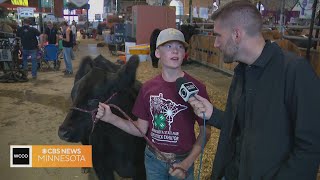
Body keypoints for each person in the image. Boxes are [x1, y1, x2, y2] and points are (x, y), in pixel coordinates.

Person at [188, 1, 320, 180]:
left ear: (236, 34)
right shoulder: (242, 71)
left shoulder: (295, 72)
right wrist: (213, 114)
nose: (216, 44)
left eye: (218, 36)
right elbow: (243, 124)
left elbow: (310, 148)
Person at [96, 28, 211, 179]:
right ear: (157, 53)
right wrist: (111, 118)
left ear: (185, 54)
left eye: (180, 47)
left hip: (183, 160)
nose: (175, 51)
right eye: (169, 46)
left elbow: (206, 130)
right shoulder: (148, 88)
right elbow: (141, 129)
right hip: (153, 160)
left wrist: (187, 163)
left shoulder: (196, 88)